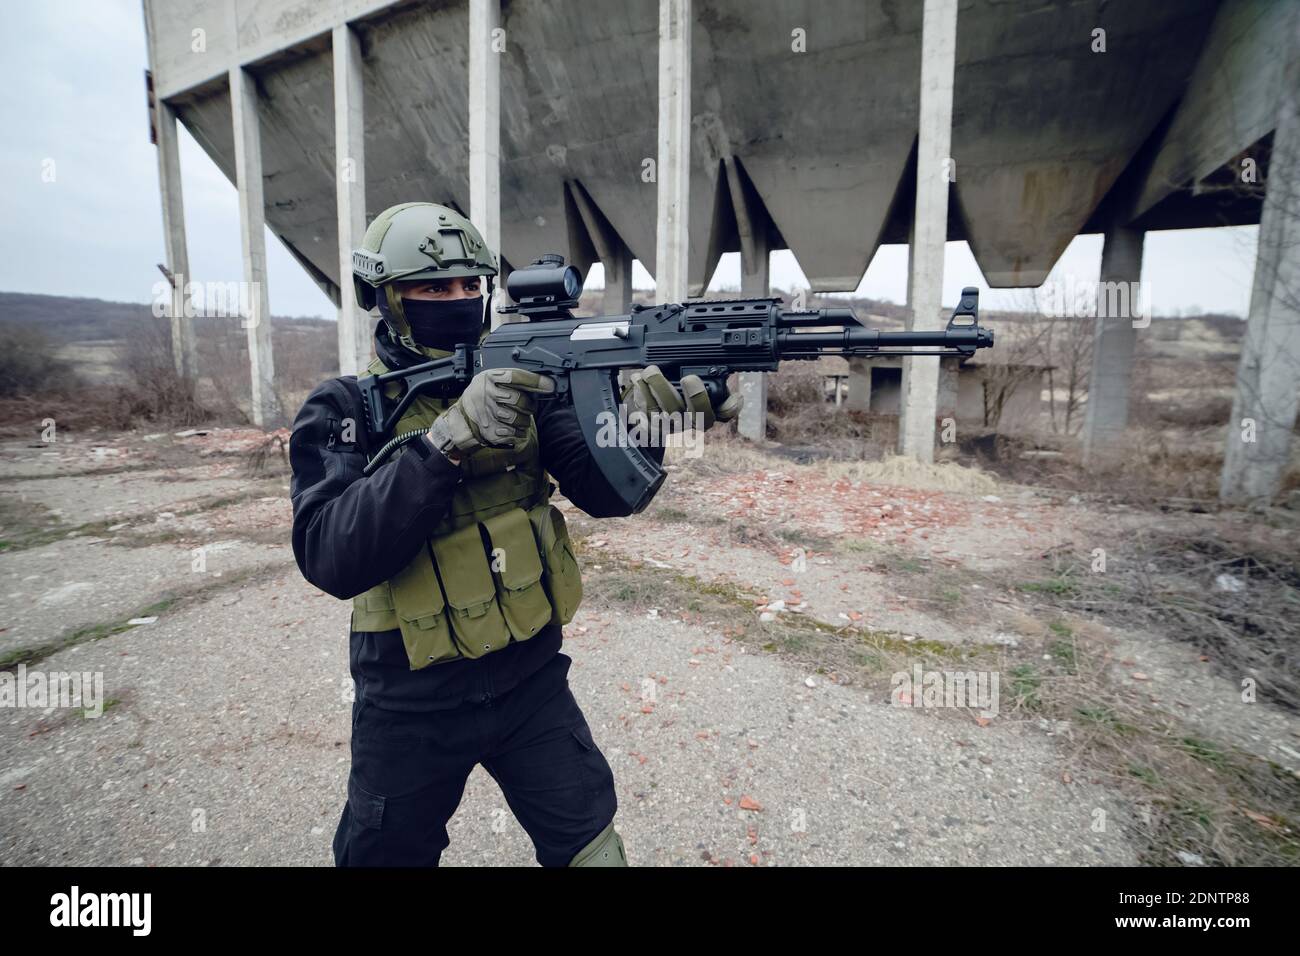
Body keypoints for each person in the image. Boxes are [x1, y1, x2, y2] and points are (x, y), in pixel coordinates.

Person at [289, 201, 741, 866]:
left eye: (471, 285)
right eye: (433, 288)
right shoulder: (347, 407)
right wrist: (442, 446)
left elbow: (603, 490)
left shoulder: (529, 380)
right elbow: (330, 553)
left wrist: (644, 425)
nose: (458, 299)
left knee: (592, 848)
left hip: (530, 677)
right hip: (410, 696)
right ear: (385, 299)